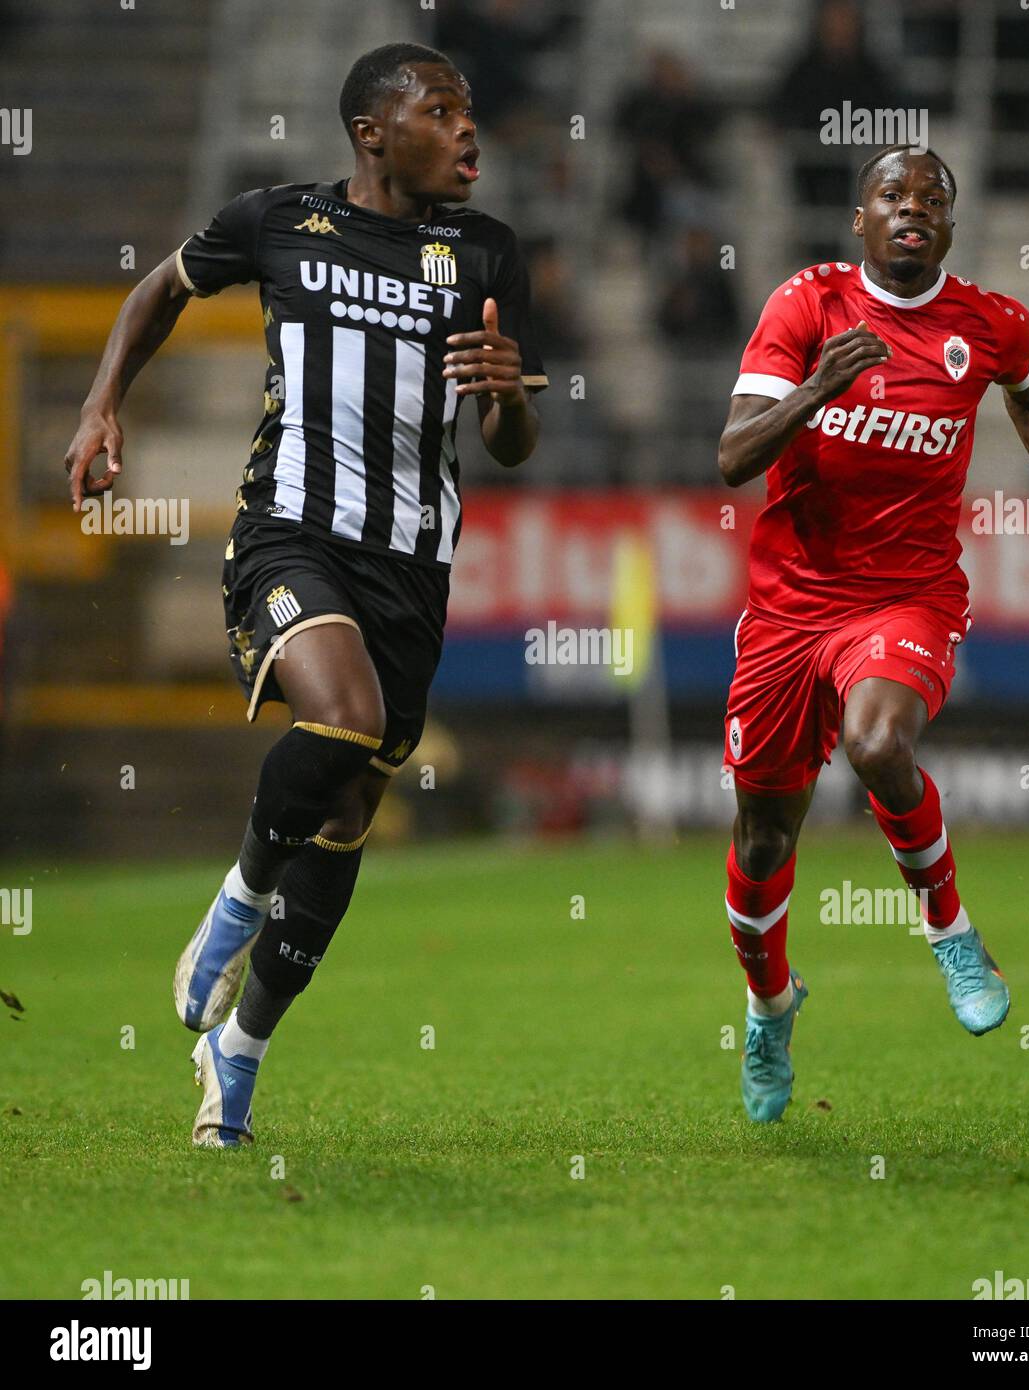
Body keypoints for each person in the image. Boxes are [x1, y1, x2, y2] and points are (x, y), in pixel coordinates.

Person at [63, 41, 548, 1147]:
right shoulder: (280, 221)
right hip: (289, 534)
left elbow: (510, 438)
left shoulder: (485, 253)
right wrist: (101, 405)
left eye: (468, 110)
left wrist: (509, 394)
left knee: (348, 813)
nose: (467, 128)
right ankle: (236, 905)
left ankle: (237, 1052)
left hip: (411, 565)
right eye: (440, 111)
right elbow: (160, 287)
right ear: (373, 133)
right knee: (343, 718)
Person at [717, 143, 1029, 1123]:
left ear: (949, 224)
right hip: (787, 609)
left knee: (878, 742)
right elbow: (732, 457)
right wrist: (816, 388)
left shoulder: (987, 323)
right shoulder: (805, 306)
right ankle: (770, 1005)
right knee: (761, 841)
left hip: (907, 598)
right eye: (890, 194)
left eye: (930, 197)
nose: (910, 208)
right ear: (859, 219)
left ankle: (950, 930)